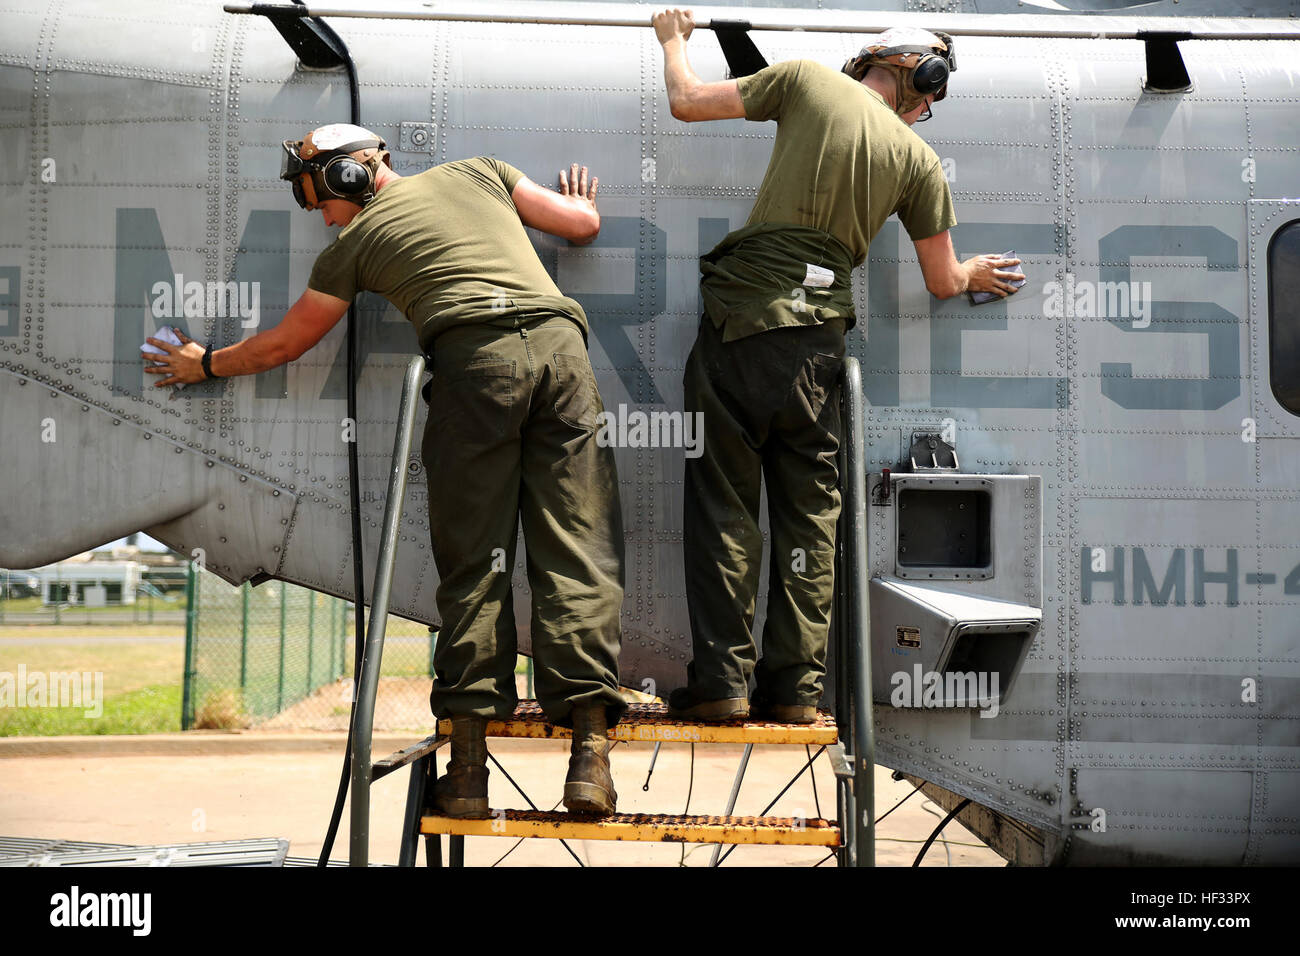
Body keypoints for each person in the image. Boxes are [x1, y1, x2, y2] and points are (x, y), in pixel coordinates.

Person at [140, 124, 626, 816]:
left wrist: (205, 363)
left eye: (315, 196)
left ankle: (465, 774)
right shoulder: (482, 171)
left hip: (475, 368)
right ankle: (588, 761)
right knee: (579, 550)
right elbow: (581, 224)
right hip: (563, 358)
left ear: (347, 177)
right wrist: (581, 204)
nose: (317, 213)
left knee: (476, 565)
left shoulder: (356, 246)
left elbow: (283, 343)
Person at [652, 10, 1025, 722]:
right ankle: (795, 690)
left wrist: (674, 43)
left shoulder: (806, 82)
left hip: (744, 325)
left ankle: (723, 686)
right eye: (927, 100)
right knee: (809, 517)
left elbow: (687, 101)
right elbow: (945, 280)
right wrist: (975, 269)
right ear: (923, 79)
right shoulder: (918, 163)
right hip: (818, 346)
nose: (924, 113)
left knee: (726, 505)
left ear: (874, 61)